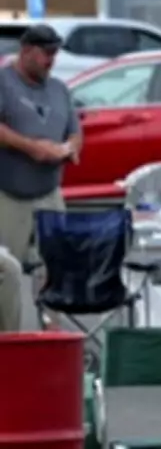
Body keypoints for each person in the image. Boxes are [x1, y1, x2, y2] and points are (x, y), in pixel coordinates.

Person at [0, 24, 81, 331]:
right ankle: (8, 340)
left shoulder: (59, 88)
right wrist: (33, 148)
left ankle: (50, 333)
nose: (51, 60)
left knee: (56, 267)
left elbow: (75, 130)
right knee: (7, 270)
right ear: (26, 51)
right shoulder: (4, 83)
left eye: (55, 53)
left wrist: (69, 148)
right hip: (9, 194)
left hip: (49, 193)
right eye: (46, 53)